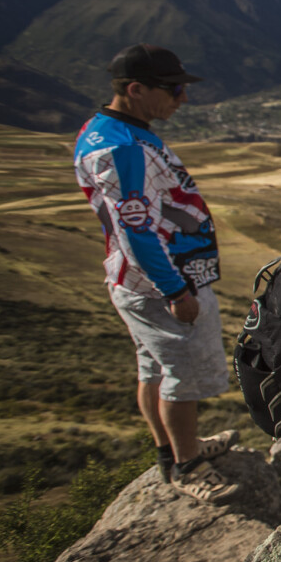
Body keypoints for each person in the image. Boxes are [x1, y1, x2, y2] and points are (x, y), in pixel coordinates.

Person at [74, 44, 237, 502]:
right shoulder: (122, 147)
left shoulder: (106, 130)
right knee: (181, 373)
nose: (181, 98)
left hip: (139, 280)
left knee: (154, 368)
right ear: (135, 89)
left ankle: (170, 450)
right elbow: (135, 227)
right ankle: (188, 465)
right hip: (161, 283)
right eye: (174, 88)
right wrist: (175, 289)